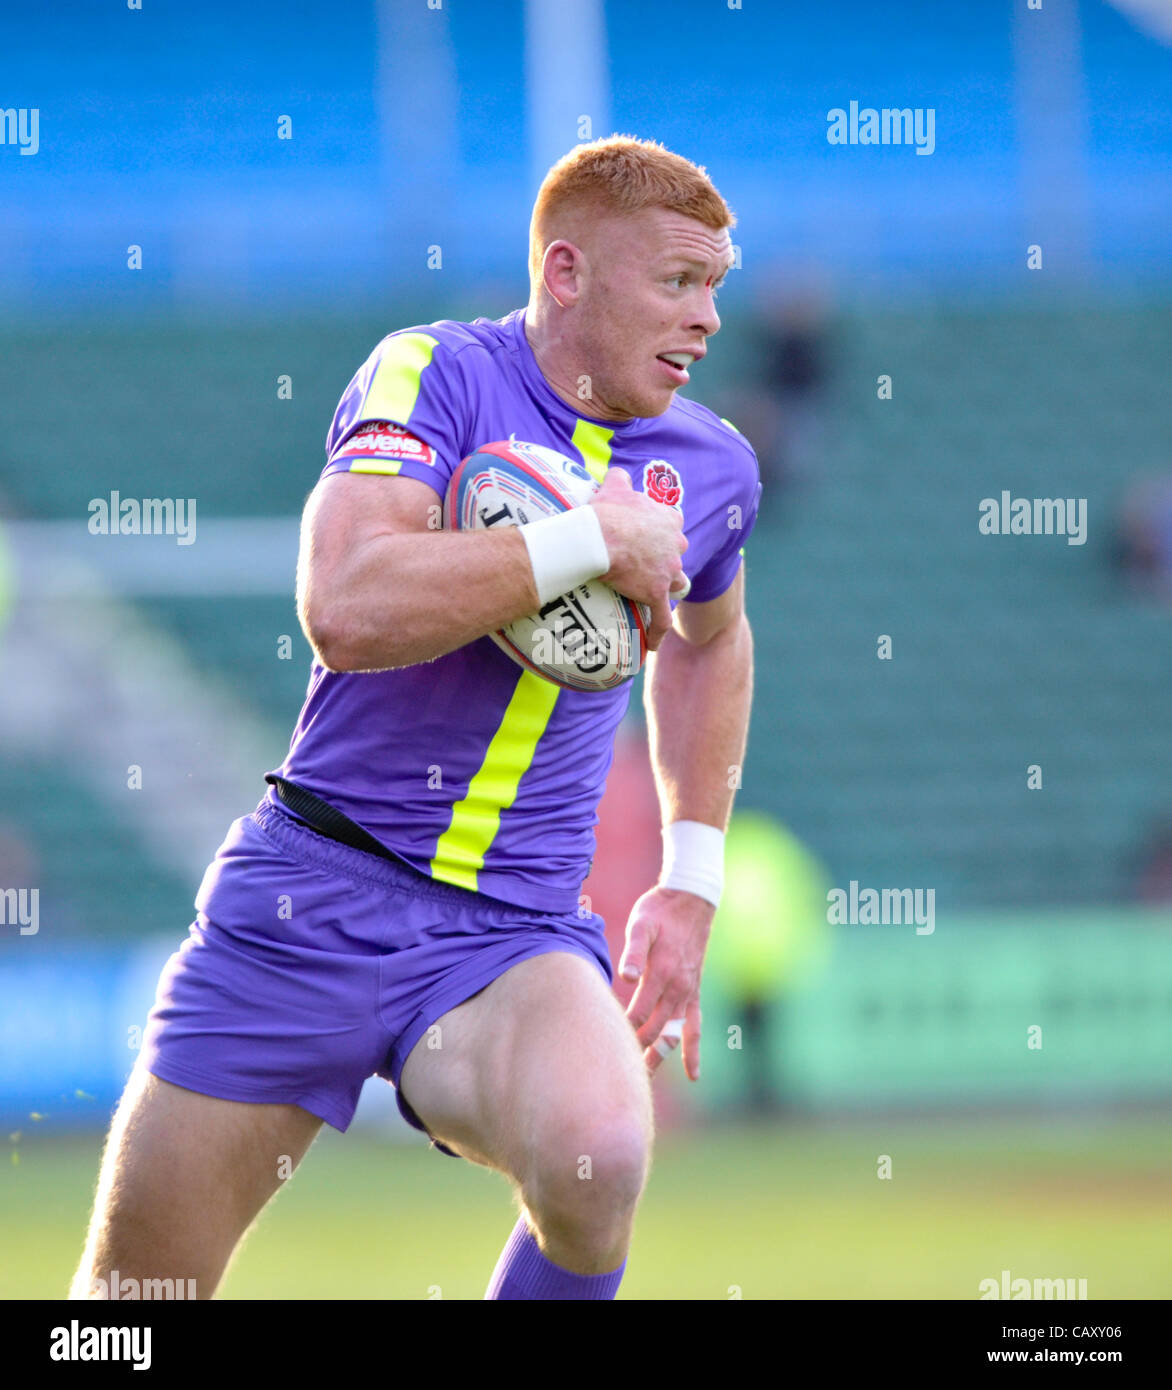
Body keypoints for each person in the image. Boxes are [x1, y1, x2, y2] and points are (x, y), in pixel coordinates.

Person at [71, 136, 761, 1302]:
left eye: (716, 288)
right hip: (309, 894)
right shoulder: (432, 373)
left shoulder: (711, 465)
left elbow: (710, 642)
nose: (703, 320)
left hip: (511, 932)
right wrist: (583, 541)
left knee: (599, 1160)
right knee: (133, 1304)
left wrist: (688, 878)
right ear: (566, 272)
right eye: (675, 282)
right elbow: (342, 606)